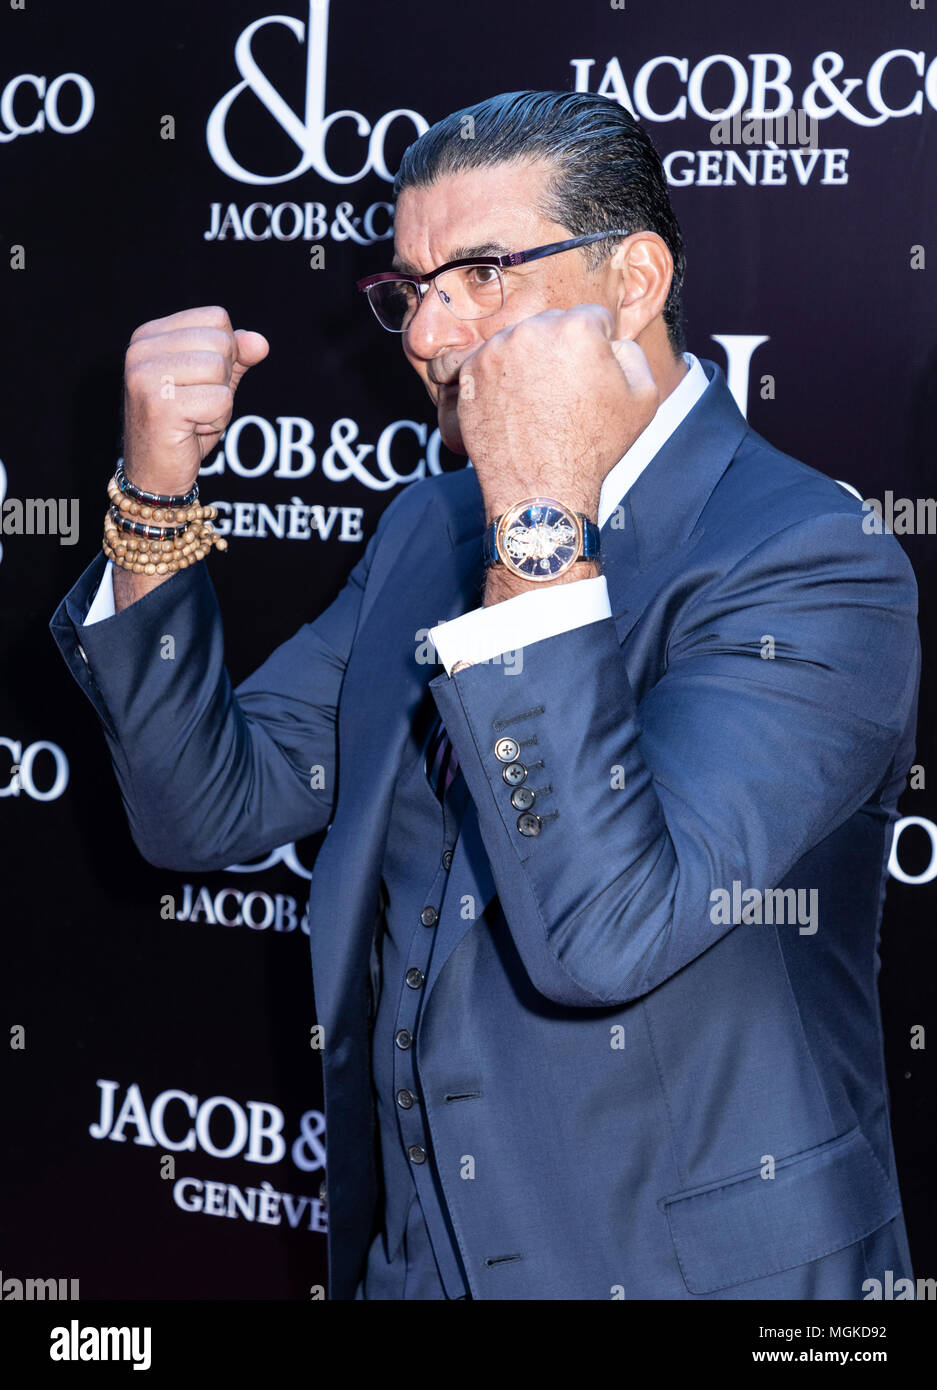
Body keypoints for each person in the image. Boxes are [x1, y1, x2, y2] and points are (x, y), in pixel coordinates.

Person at [51, 90, 920, 1300]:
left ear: (634, 282)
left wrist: (536, 532)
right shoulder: (424, 527)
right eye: (412, 287)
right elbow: (204, 809)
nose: (426, 331)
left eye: (480, 270)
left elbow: (607, 936)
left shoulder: (812, 558)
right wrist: (153, 500)